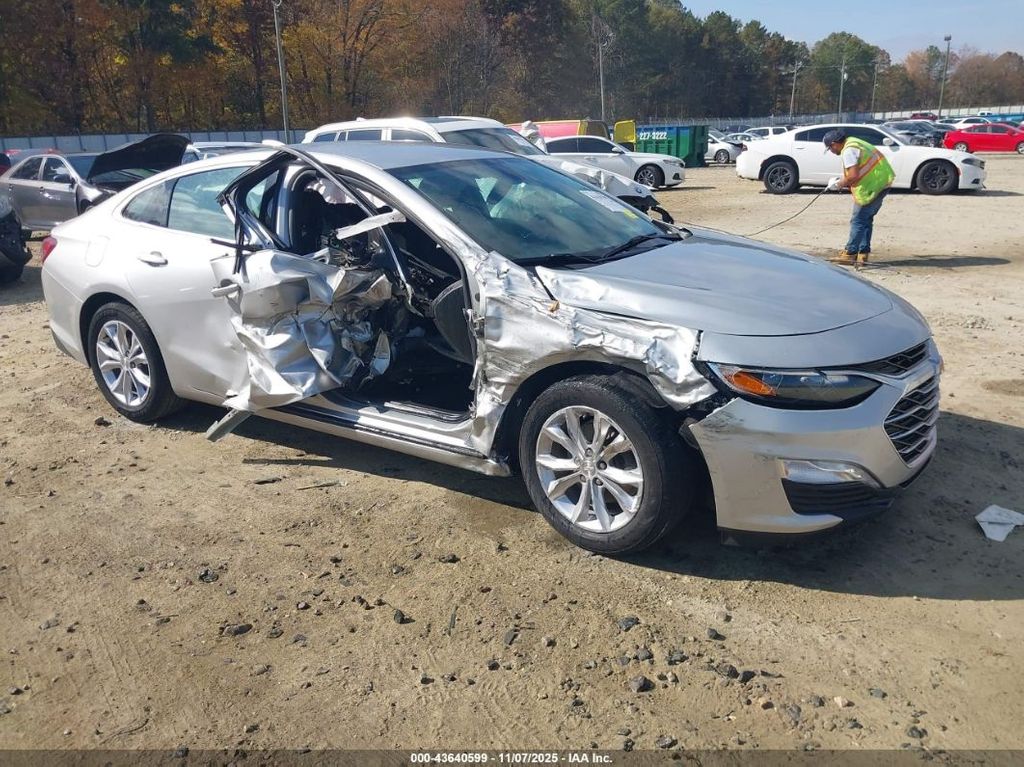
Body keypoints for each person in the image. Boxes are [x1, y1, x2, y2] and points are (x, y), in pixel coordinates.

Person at [823, 129, 895, 267]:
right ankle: (862, 254)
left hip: (871, 186)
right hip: (881, 182)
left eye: (830, 148)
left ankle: (850, 253)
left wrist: (838, 184)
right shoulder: (856, 143)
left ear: (834, 143)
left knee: (858, 220)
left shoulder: (849, 150)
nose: (832, 151)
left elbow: (853, 175)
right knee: (866, 219)